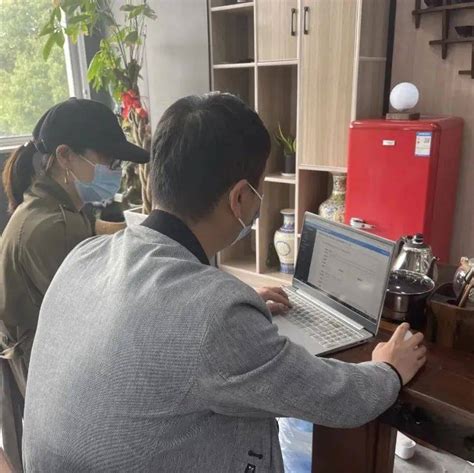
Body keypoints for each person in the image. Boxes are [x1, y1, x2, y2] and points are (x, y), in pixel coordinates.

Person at [23, 93, 426, 472]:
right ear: (240, 199)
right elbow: (337, 400)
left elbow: (152, 324)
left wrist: (239, 310)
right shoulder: (214, 313)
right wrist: (388, 369)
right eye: (260, 190)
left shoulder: (86, 255)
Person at [0, 98, 149, 471]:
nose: (115, 172)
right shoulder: (51, 227)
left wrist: (143, 232)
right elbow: (104, 320)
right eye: (108, 161)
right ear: (65, 156)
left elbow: (93, 232)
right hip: (50, 379)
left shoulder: (50, 207)